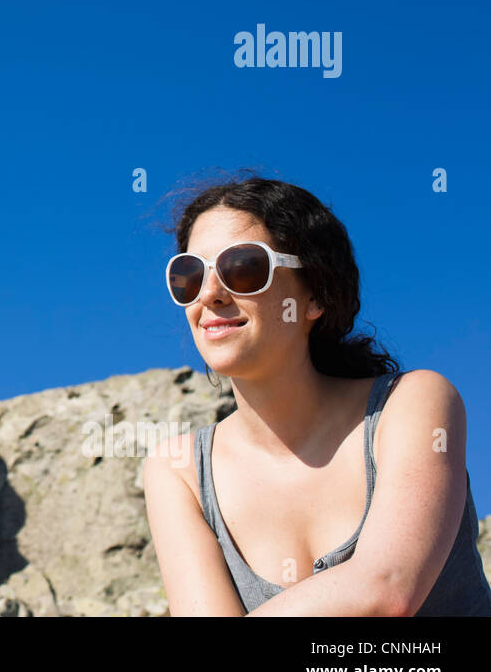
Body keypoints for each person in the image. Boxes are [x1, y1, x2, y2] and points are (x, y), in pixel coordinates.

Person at [143, 176, 491, 616]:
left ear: (317, 295)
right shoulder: (178, 472)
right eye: (189, 275)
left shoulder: (412, 404)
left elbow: (386, 592)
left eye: (244, 267)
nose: (209, 294)